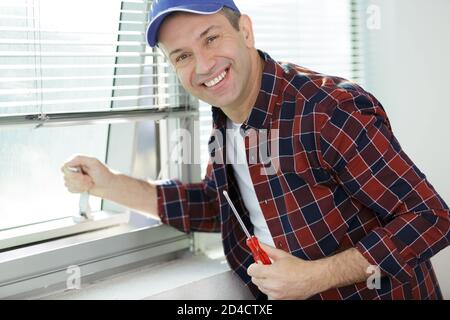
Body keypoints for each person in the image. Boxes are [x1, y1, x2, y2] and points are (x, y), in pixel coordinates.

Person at [62, 0, 450, 300]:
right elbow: (217, 207)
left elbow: (431, 218)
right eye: (181, 56)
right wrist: (109, 185)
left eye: (211, 38)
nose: (203, 64)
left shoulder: (328, 112)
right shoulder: (224, 122)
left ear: (245, 31)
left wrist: (315, 276)